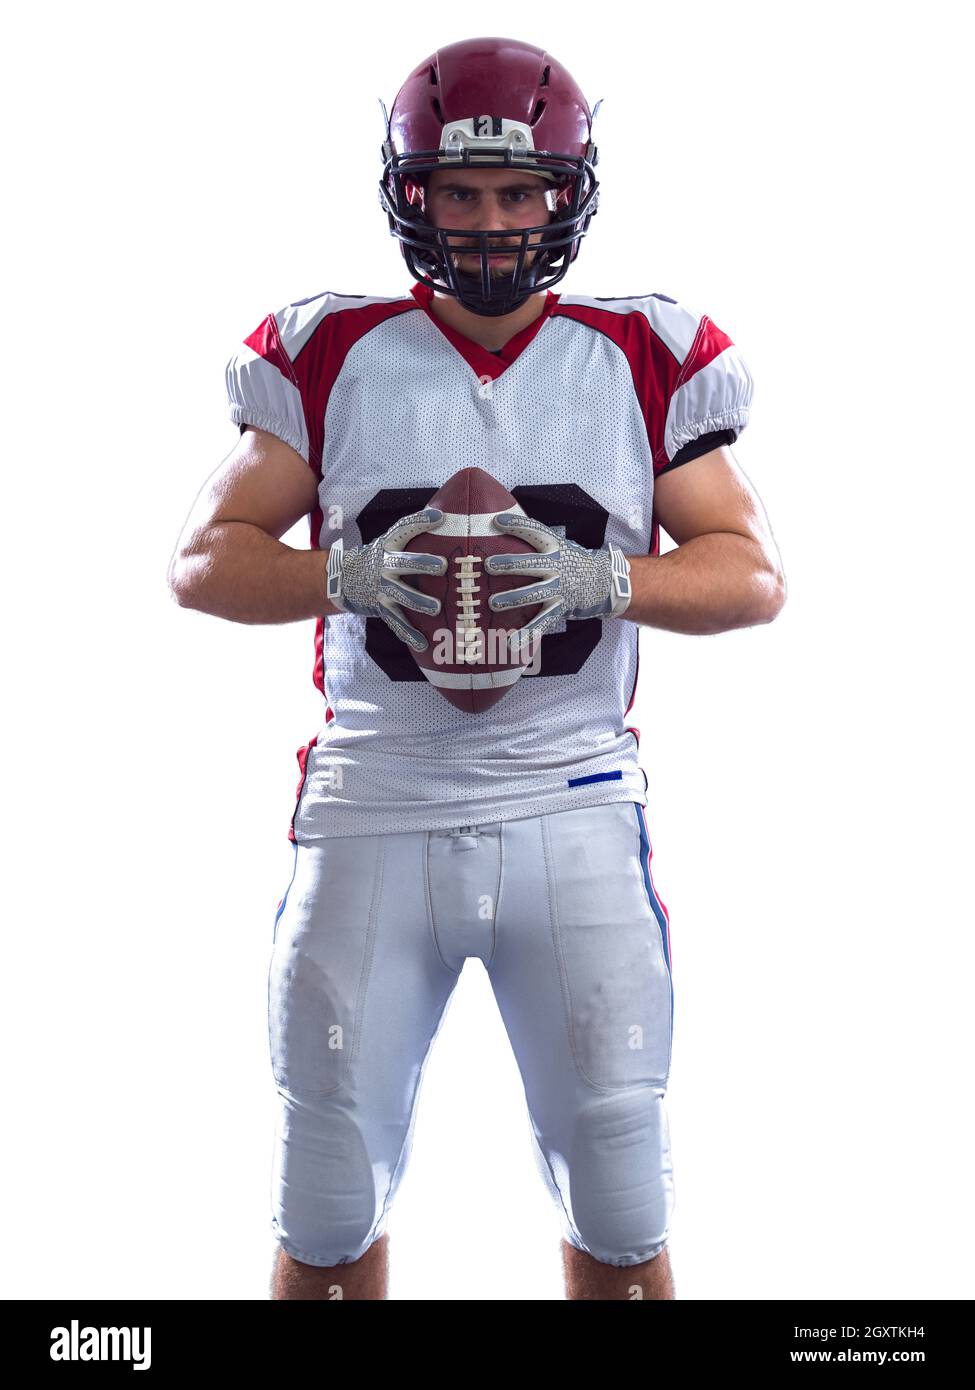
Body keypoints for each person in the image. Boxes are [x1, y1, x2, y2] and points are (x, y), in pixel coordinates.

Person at [168, 35, 786, 1300]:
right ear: (414, 197)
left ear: (568, 193)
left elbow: (753, 573)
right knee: (328, 1194)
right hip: (373, 801)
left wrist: (609, 579)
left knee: (620, 1193)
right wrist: (337, 574)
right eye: (462, 193)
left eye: (519, 194)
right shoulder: (333, 351)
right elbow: (202, 558)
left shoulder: (637, 350)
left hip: (569, 802)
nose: (493, 223)